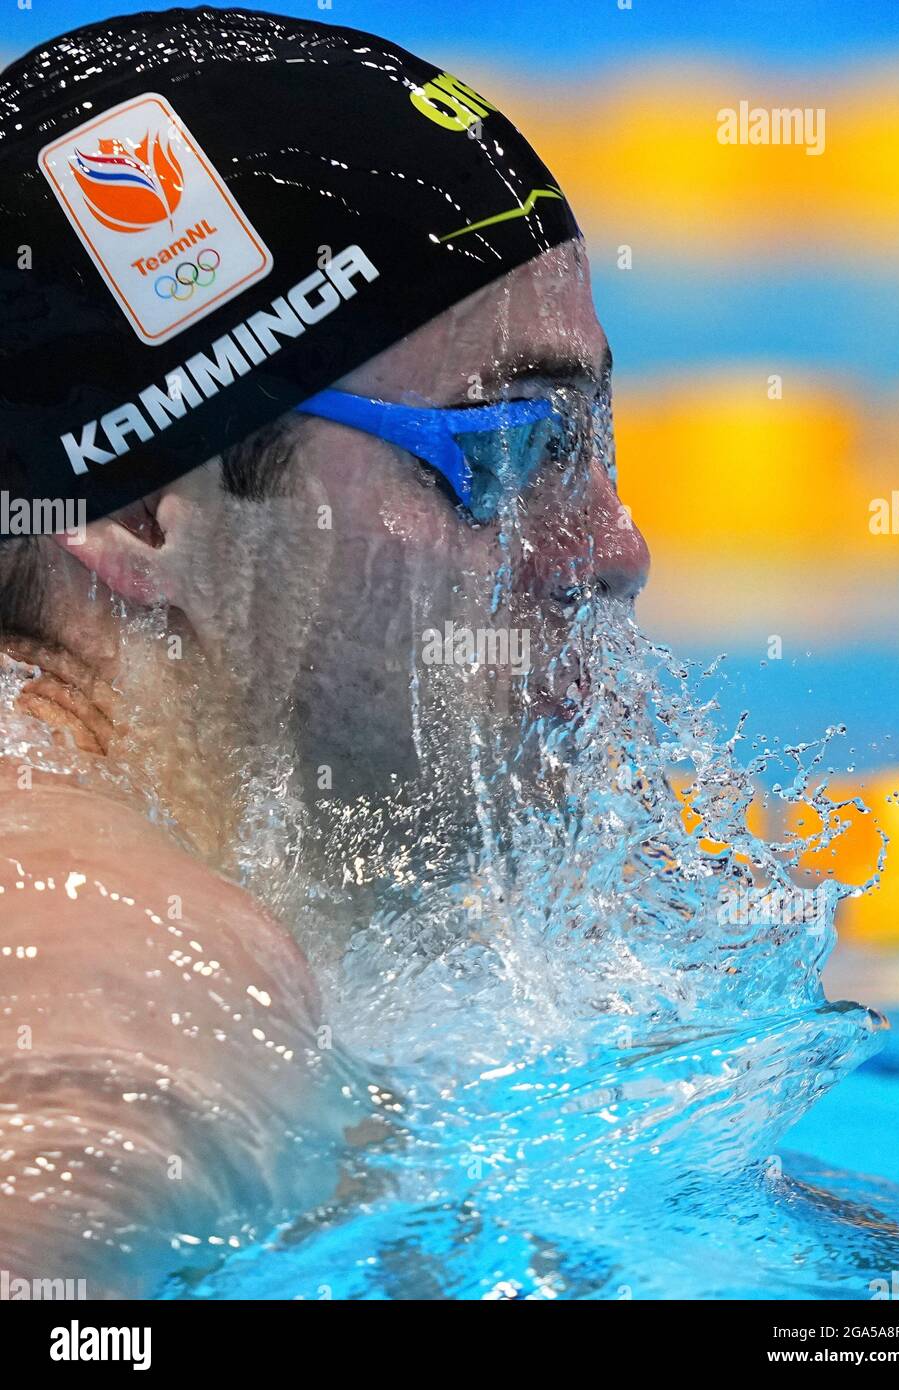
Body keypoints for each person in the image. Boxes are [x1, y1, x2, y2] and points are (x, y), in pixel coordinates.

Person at [0, 7, 648, 1297]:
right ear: (141, 515)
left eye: (596, 440)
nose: (610, 549)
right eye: (511, 447)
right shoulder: (136, 964)